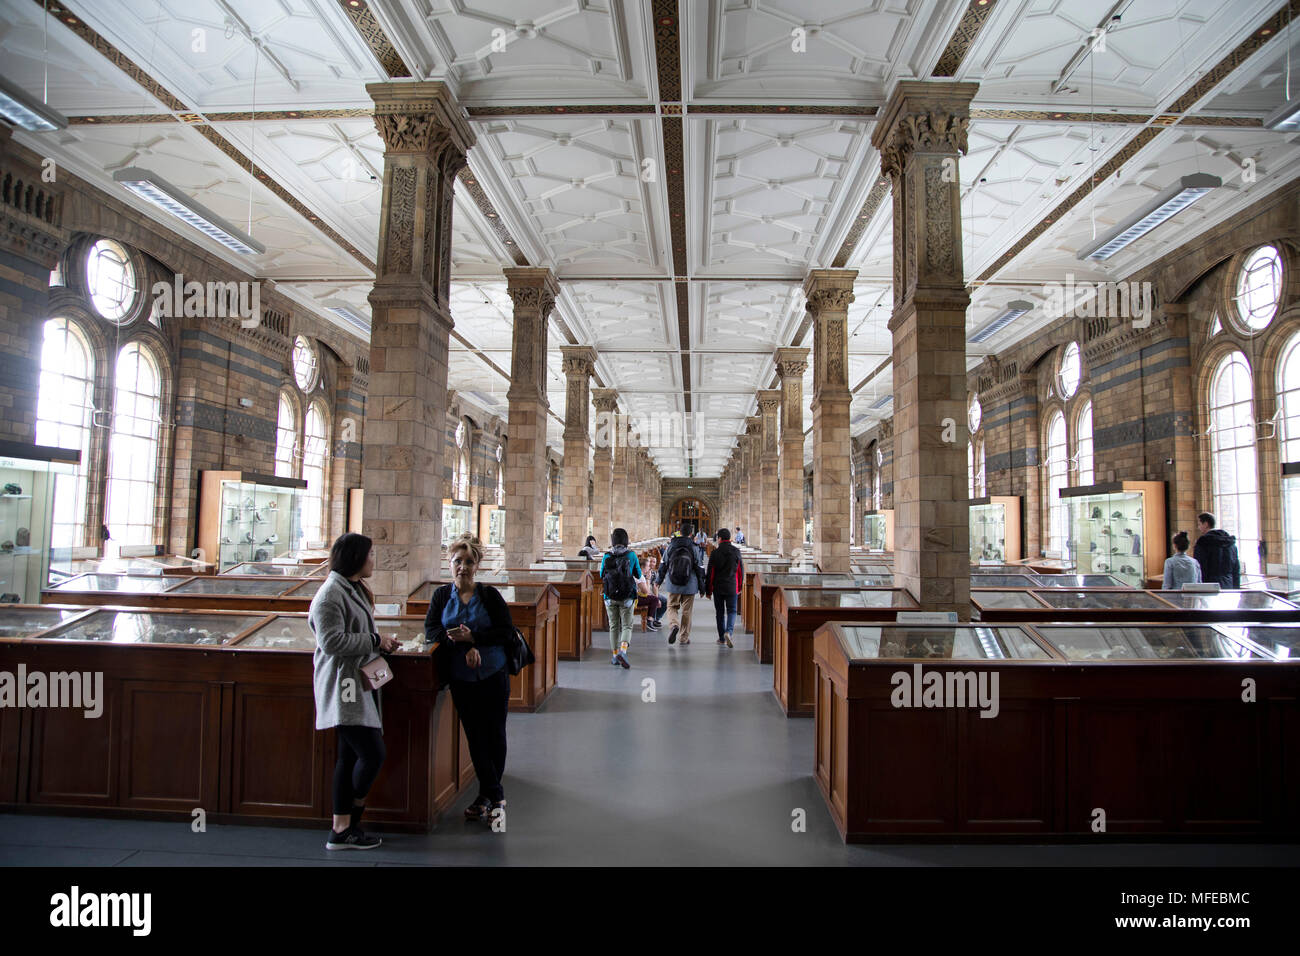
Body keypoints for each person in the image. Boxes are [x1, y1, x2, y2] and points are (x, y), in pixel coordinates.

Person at [311, 532, 401, 850]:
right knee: (372, 753)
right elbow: (331, 641)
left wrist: (380, 641)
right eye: (371, 555)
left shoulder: (350, 588)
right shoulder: (330, 594)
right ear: (356, 558)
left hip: (354, 680)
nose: (373, 560)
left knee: (348, 757)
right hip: (344, 685)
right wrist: (376, 641)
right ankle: (348, 824)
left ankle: (344, 827)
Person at [424, 532, 515, 821]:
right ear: (449, 564)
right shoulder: (441, 596)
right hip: (462, 677)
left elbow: (506, 632)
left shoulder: (488, 596)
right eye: (457, 561)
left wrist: (474, 638)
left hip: (492, 673)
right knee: (475, 736)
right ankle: (495, 795)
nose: (463, 566)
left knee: (495, 733)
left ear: (477, 565)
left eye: (468, 561)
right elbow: (432, 631)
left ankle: (488, 796)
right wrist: (460, 645)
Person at [656, 520, 706, 645]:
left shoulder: (671, 546)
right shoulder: (694, 547)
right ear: (691, 534)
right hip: (690, 583)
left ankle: (673, 625)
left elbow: (663, 564)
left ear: (679, 532)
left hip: (673, 582)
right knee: (687, 611)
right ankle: (683, 637)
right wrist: (702, 587)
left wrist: (658, 580)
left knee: (671, 606)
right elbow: (700, 568)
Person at [600, 527, 644, 667]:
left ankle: (614, 655)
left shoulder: (607, 556)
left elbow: (601, 574)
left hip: (609, 596)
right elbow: (637, 574)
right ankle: (623, 652)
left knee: (614, 626)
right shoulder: (631, 555)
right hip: (627, 596)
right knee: (626, 625)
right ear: (626, 540)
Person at [704, 527, 744, 648]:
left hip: (718, 587)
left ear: (720, 539)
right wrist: (740, 586)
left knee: (720, 612)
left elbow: (710, 573)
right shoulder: (736, 551)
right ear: (730, 538)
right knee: (732, 611)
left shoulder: (715, 553)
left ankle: (722, 638)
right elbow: (740, 571)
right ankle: (729, 632)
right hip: (732, 586)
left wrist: (708, 590)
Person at [1192, 512, 1241, 588]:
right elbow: (1236, 569)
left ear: (1206, 524)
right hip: (1229, 586)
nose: (1198, 527)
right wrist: (1236, 589)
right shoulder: (1231, 544)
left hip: (1209, 586)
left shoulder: (1203, 543)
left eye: (1199, 524)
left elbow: (1199, 567)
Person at [638, 552, 667, 631]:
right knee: (654, 600)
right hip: (642, 593)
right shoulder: (641, 573)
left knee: (664, 601)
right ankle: (650, 620)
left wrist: (657, 597)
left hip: (648, 592)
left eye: (654, 562)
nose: (652, 564)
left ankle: (656, 619)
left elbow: (655, 586)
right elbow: (644, 591)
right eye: (650, 561)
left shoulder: (653, 573)